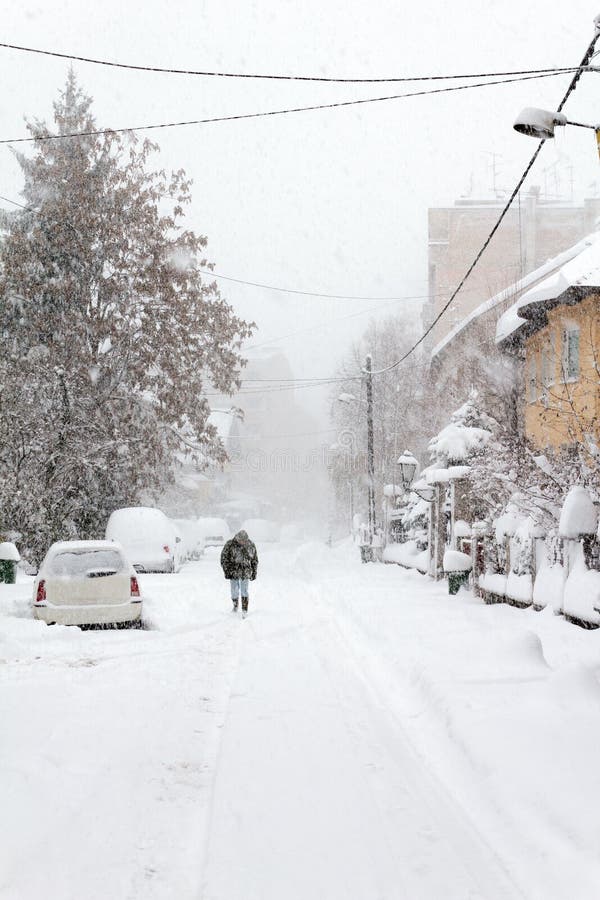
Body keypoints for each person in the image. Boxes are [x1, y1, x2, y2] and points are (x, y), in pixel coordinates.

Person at [220, 530, 258, 616]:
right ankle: (235, 605)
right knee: (234, 590)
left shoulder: (250, 545)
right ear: (237, 538)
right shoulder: (230, 545)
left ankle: (244, 609)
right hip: (233, 570)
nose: (243, 542)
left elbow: (254, 560)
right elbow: (224, 558)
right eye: (241, 541)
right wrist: (227, 570)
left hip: (245, 570)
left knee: (244, 590)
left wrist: (254, 572)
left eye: (244, 541)